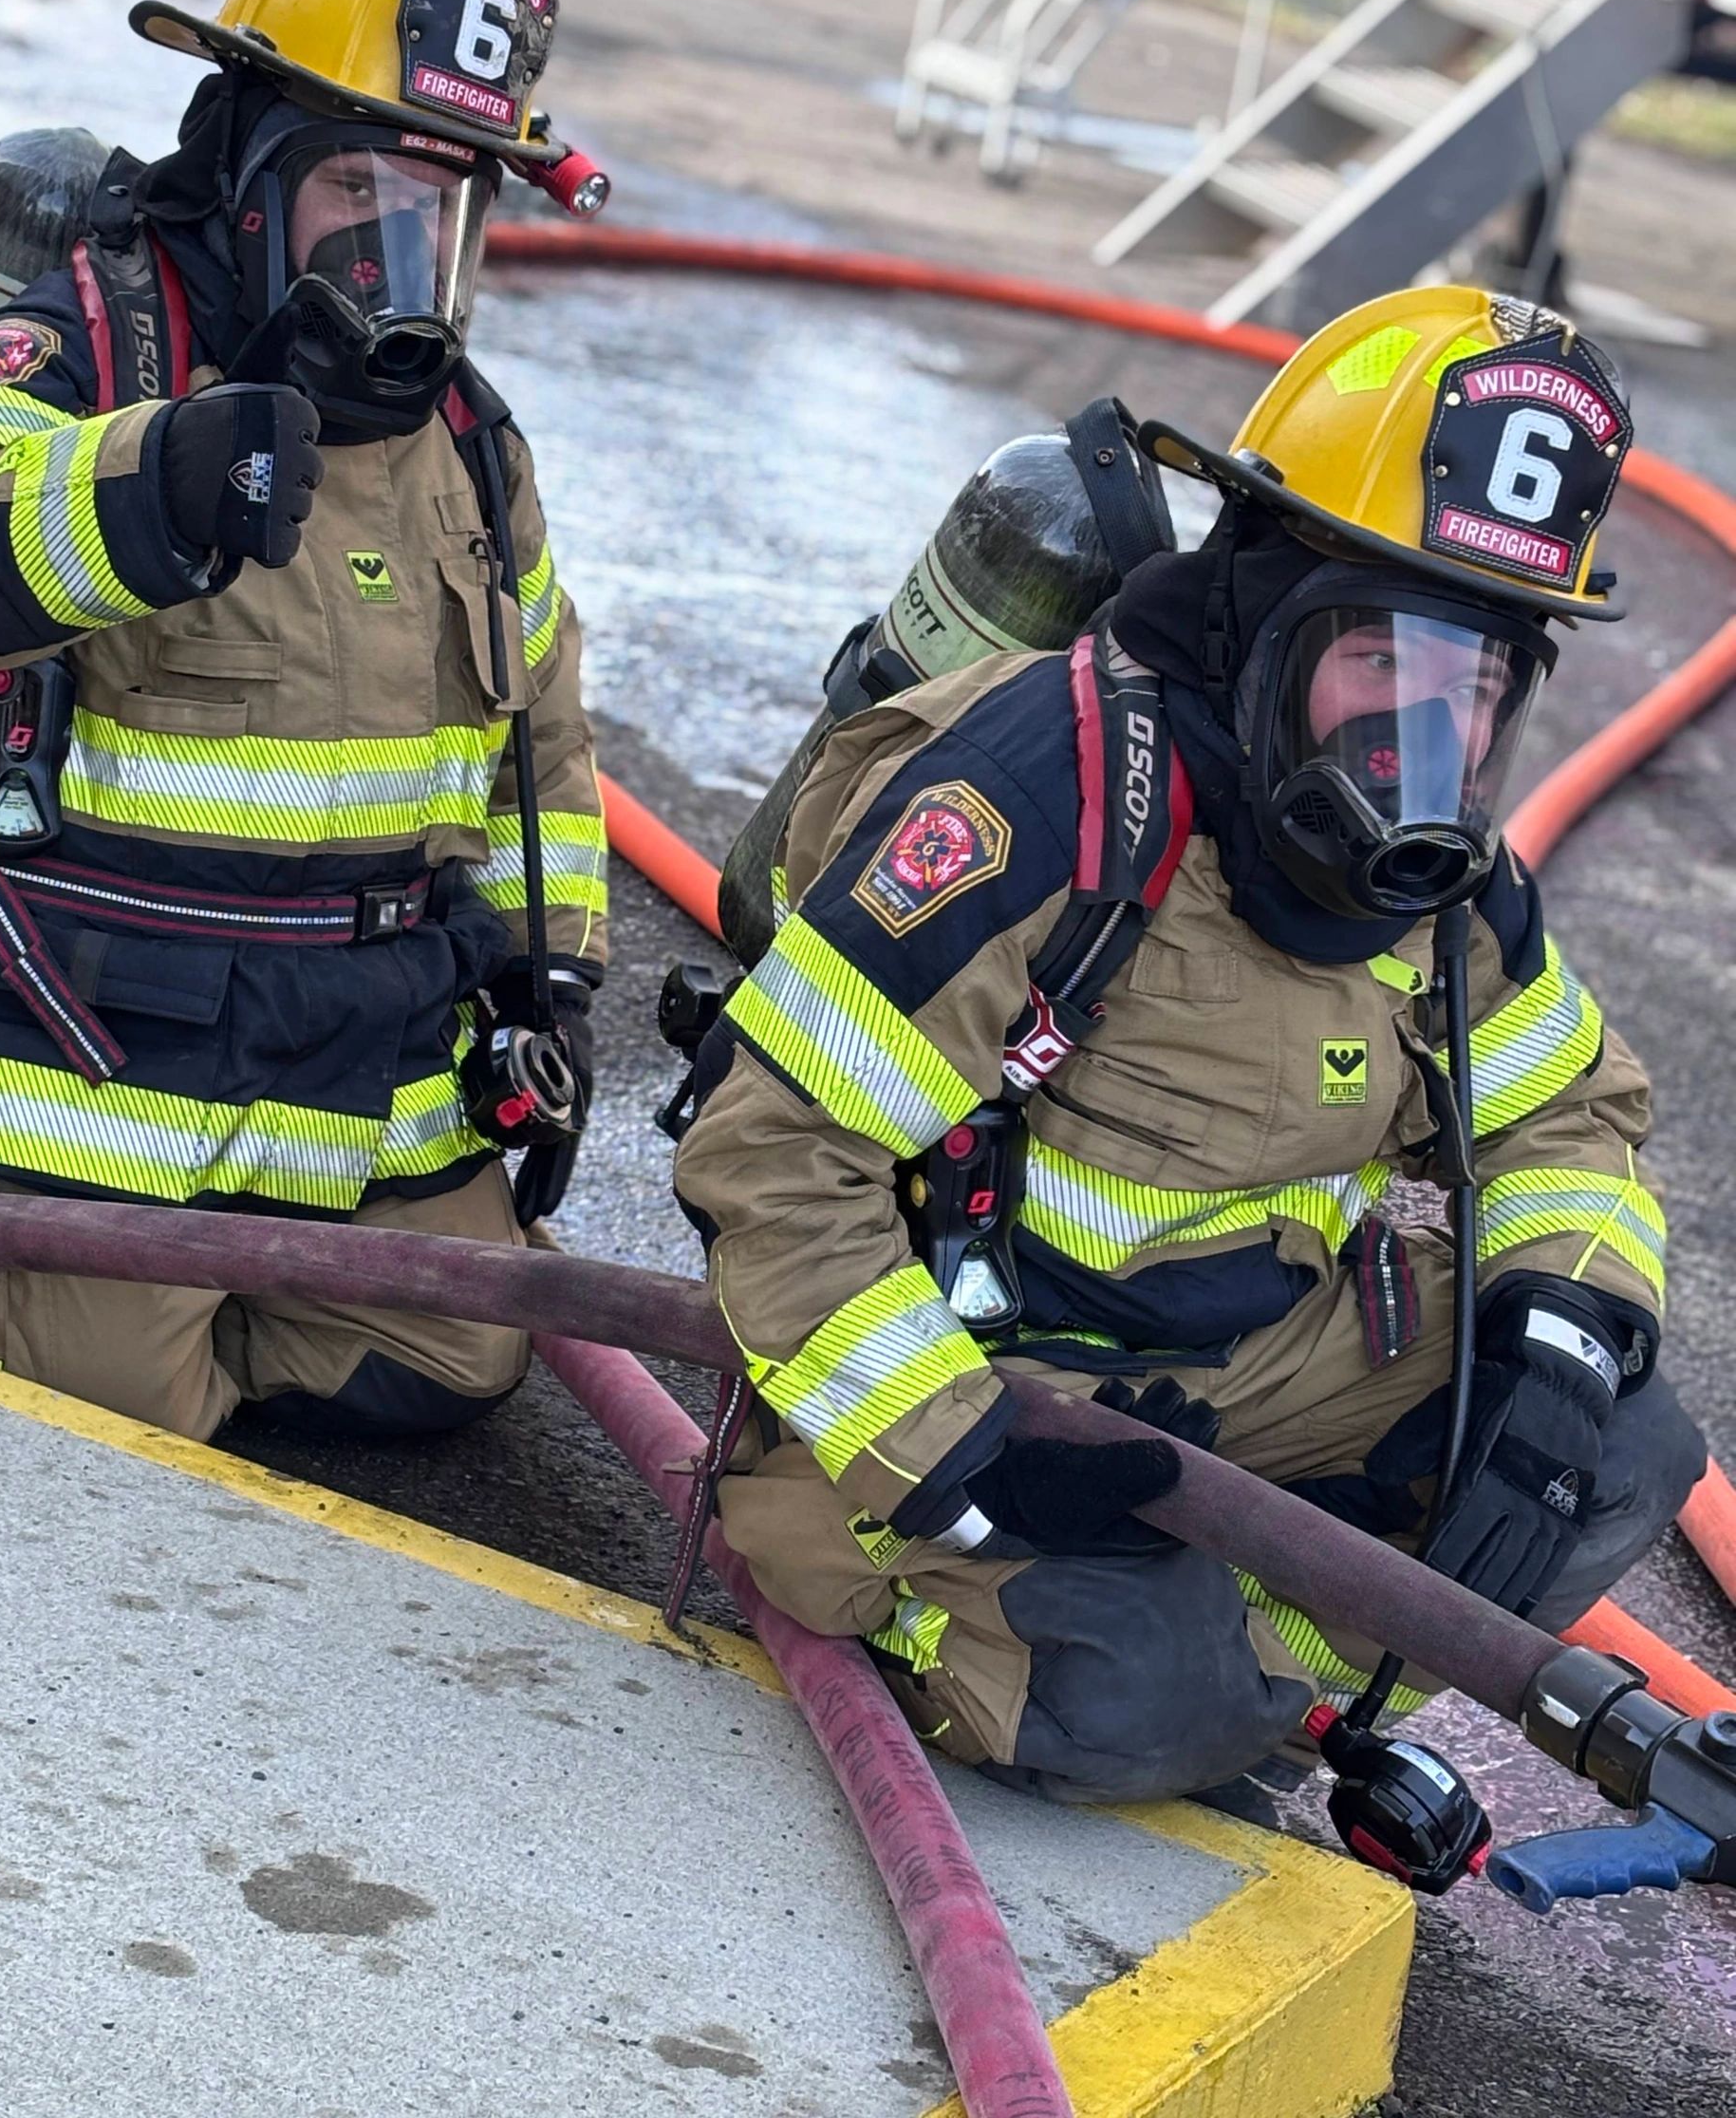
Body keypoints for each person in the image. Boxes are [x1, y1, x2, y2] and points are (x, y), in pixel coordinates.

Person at [674, 287, 1706, 1803]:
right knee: (1132, 1702)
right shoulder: (1048, 796)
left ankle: (1267, 1689)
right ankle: (1054, 1639)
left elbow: (1570, 1117)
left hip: (1251, 1366)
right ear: (1262, 621)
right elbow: (774, 1158)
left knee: (1608, 1447)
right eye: (1385, 663)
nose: (1421, 745)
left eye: (1476, 685)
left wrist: (1560, 1331)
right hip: (986, 1368)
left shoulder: (1445, 888)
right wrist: (961, 1459)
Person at [0, 0, 607, 1443]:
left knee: (467, 1352)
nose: (391, 256)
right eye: (355, 189)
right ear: (247, 166)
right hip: (93, 1059)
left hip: (338, 1067)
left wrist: (546, 975)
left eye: (438, 209)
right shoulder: (91, 345)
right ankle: (11, 1271)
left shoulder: (472, 446)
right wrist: (147, 487)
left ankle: (162, 1296)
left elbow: (540, 740)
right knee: (129, 1411)